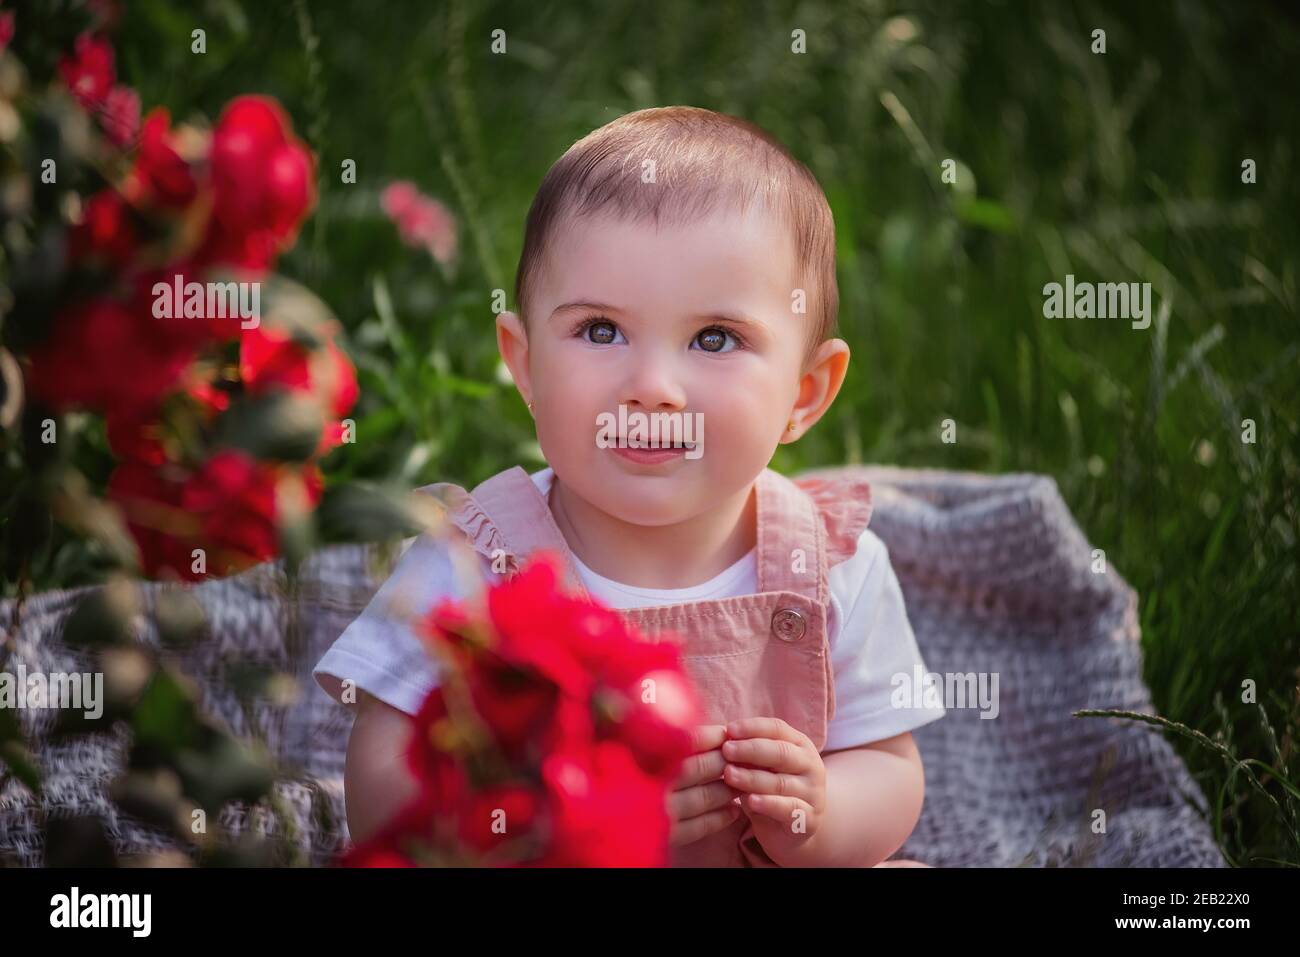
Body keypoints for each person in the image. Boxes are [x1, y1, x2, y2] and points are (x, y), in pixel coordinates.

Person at [314, 106, 946, 866]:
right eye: (601, 330)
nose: (652, 388)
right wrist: (544, 828)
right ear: (524, 363)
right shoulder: (475, 561)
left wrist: (819, 814)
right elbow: (381, 776)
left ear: (806, 393)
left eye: (715, 338)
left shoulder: (832, 565)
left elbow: (889, 767)